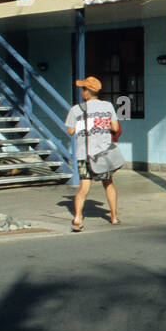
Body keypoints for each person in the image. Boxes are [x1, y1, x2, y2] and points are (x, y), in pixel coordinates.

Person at [66, 76, 121, 231]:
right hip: (103, 155)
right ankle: (114, 217)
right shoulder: (108, 106)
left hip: (85, 155)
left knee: (84, 187)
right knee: (108, 183)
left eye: (83, 89)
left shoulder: (76, 109)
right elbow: (115, 128)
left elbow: (70, 131)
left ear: (88, 92)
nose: (82, 92)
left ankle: (77, 217)